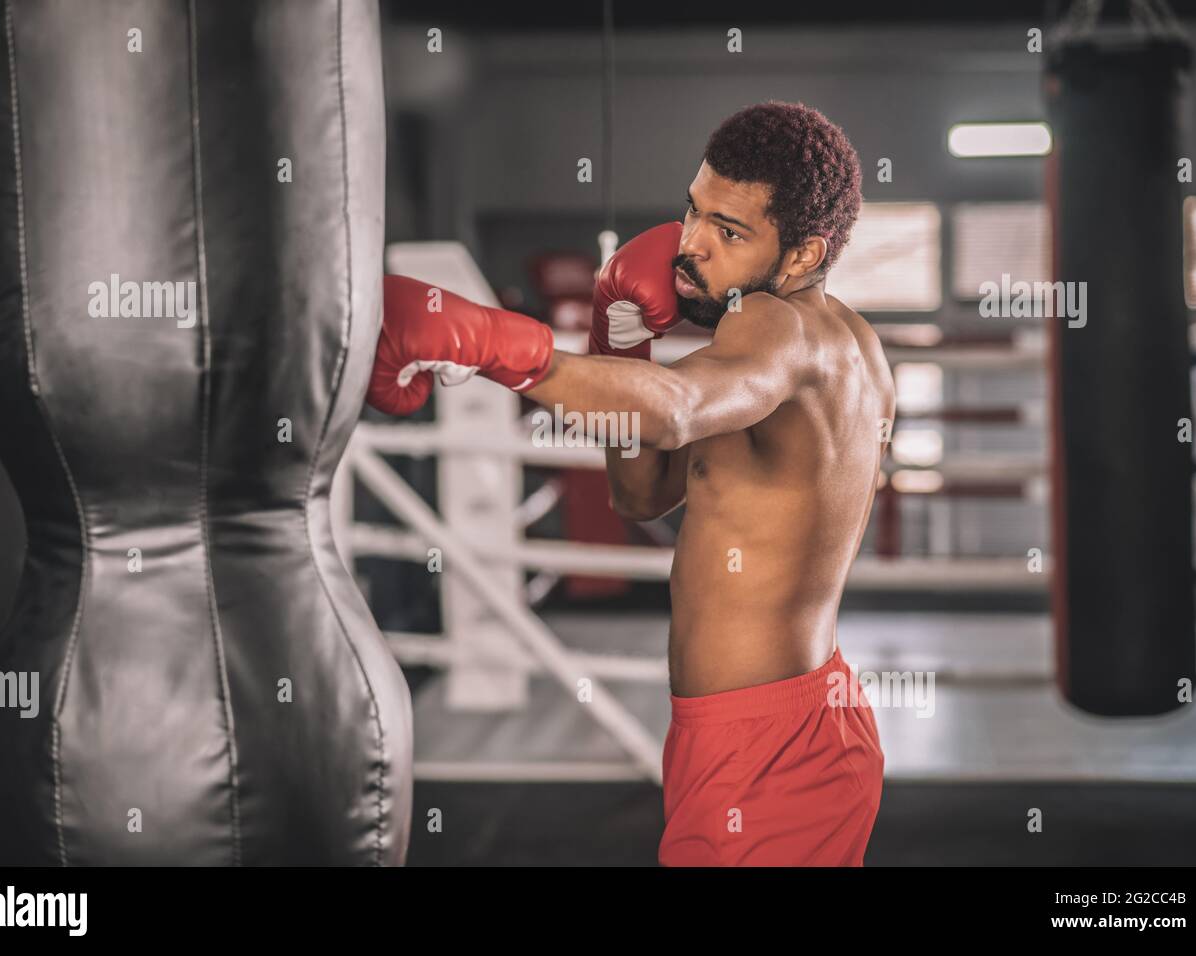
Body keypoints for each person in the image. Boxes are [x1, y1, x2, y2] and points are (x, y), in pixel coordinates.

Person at [369, 101, 894, 866]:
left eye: (730, 231)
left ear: (806, 255)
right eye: (695, 211)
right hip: (784, 722)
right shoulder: (847, 341)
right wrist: (625, 342)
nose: (692, 245)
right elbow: (642, 495)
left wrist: (495, 343)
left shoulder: (777, 329)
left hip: (763, 747)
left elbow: (678, 411)